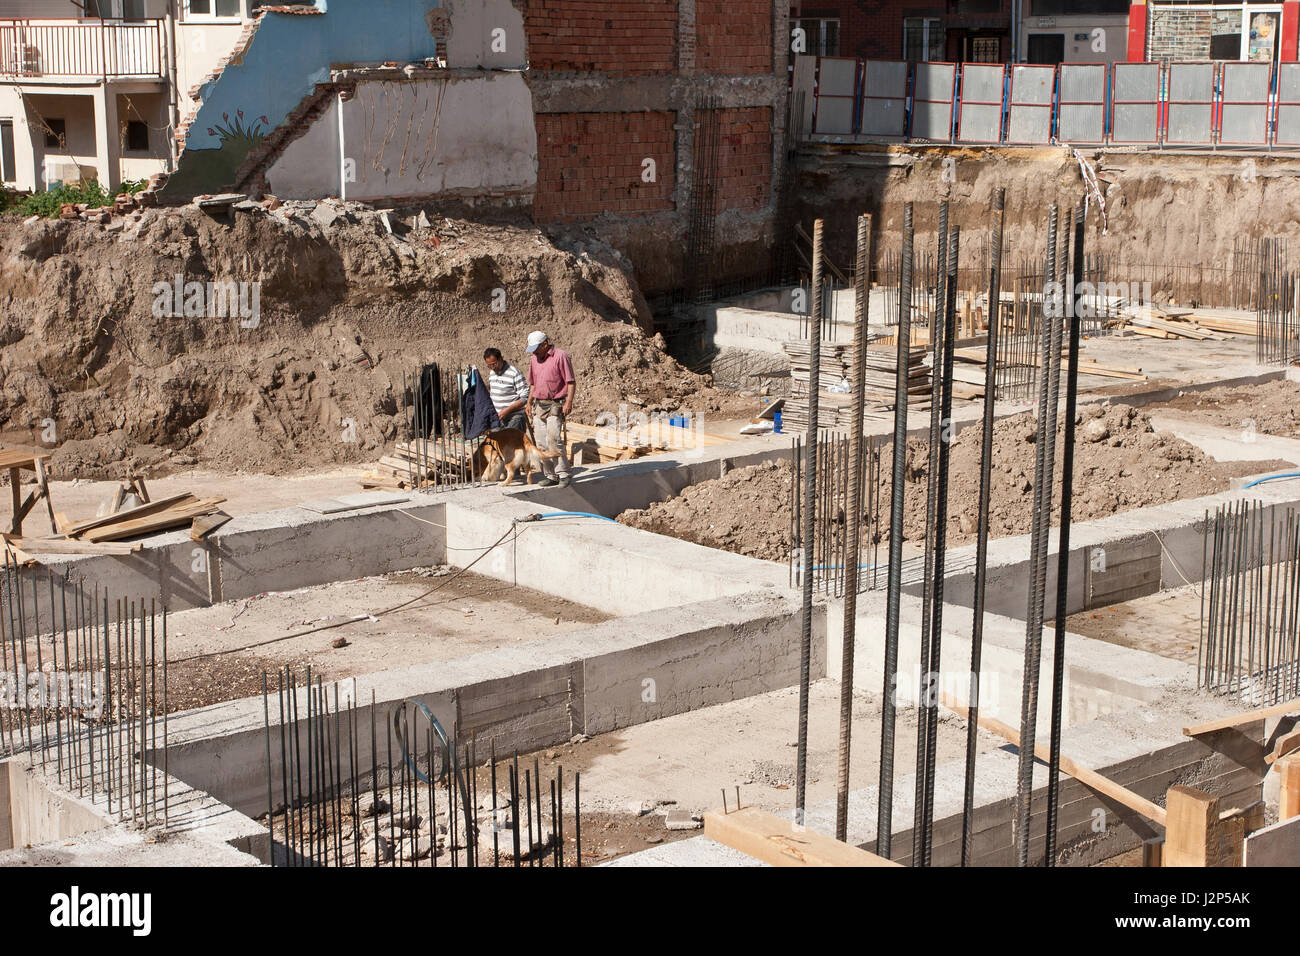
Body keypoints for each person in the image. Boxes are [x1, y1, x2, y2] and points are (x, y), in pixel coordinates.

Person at [525, 330, 574, 488]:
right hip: (539, 404)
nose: (534, 352)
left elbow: (570, 382)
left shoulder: (560, 356)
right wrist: (529, 402)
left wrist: (568, 402)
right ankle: (550, 475)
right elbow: (533, 383)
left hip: (555, 403)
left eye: (536, 348)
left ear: (545, 344)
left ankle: (564, 473)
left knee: (554, 440)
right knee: (540, 442)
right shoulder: (534, 360)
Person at [483, 347, 529, 432]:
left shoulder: (514, 373)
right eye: (489, 365)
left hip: (514, 418)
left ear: (500, 359)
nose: (492, 368)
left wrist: (507, 410)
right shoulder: (492, 373)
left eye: (494, 364)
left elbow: (525, 397)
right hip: (498, 418)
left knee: (512, 444)